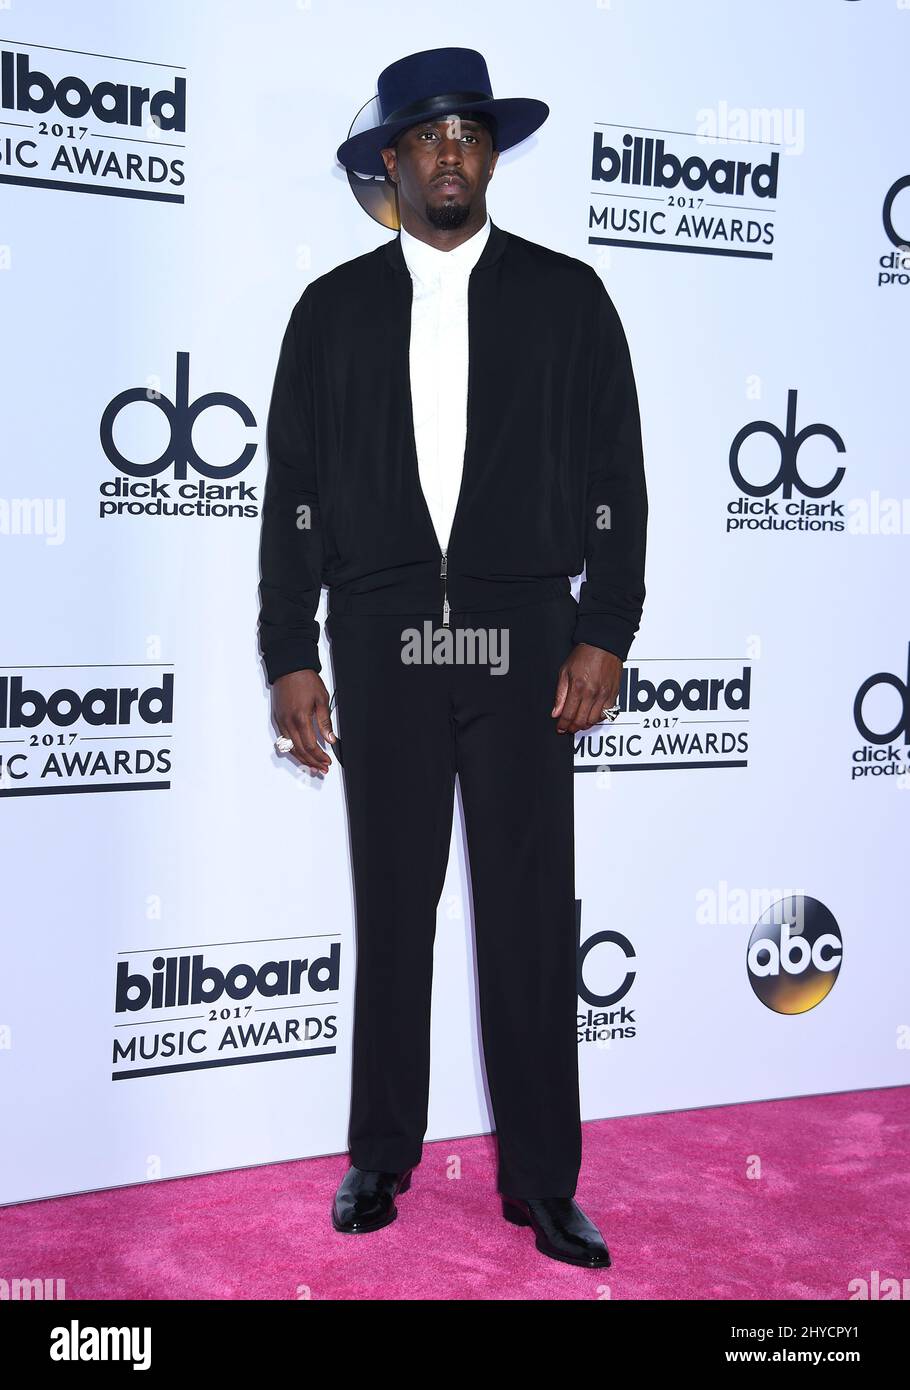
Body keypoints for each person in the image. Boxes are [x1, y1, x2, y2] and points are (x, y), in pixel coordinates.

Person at [258, 47, 647, 1269]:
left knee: (531, 917)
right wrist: (289, 649)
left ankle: (542, 1182)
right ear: (389, 160)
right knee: (394, 909)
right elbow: (295, 499)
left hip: (525, 640)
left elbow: (617, 486)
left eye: (466, 131)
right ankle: (382, 1152)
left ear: (491, 153)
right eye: (422, 134)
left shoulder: (567, 297)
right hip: (382, 640)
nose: (446, 151)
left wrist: (604, 629)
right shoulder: (330, 310)